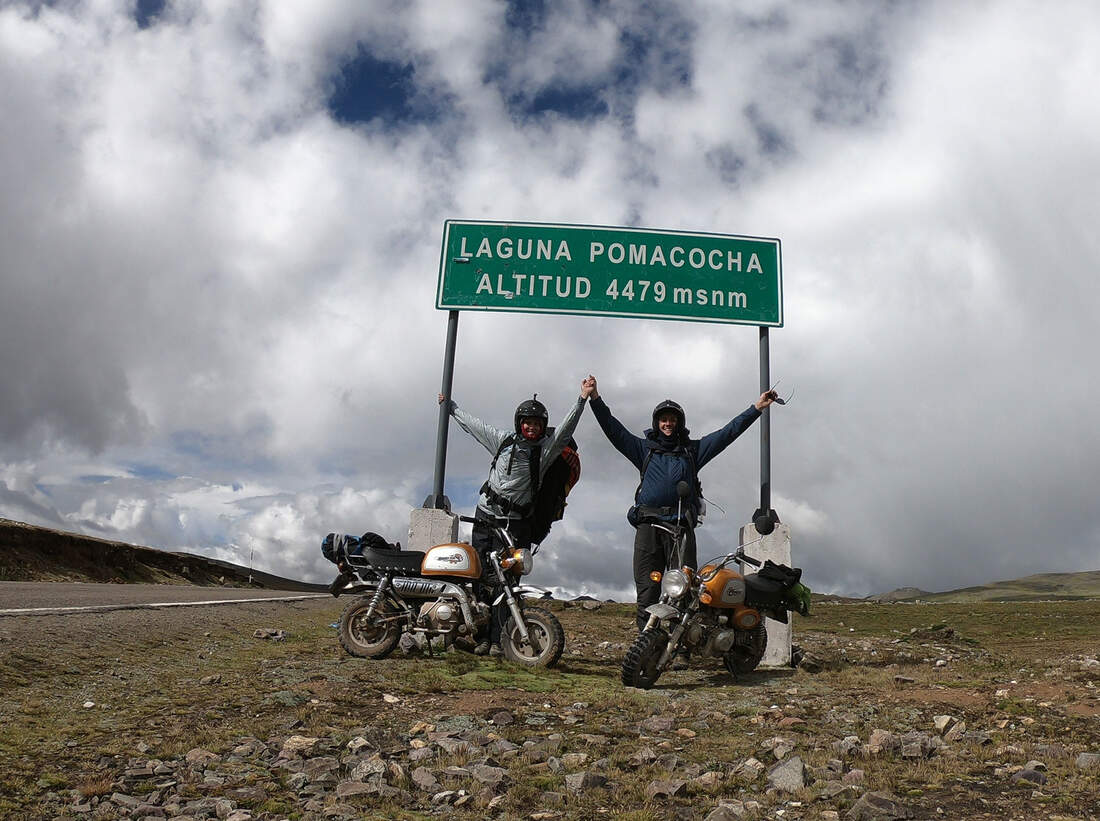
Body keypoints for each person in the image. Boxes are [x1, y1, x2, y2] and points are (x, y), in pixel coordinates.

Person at [582, 375, 778, 637]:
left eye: (672, 420)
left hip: (680, 528)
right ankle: (648, 641)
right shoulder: (644, 450)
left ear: (679, 423)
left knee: (683, 589)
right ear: (656, 422)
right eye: (663, 419)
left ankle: (680, 647)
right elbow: (613, 429)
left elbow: (727, 434)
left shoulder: (692, 451)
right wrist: (595, 398)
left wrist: (756, 408)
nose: (667, 423)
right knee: (647, 588)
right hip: (648, 527)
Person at [439, 381, 593, 654]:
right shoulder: (503, 441)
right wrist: (451, 408)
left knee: (507, 581)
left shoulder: (546, 451)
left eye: (536, 424)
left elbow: (567, 429)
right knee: (479, 577)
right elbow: (475, 427)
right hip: (485, 516)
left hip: (516, 524)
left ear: (543, 426)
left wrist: (581, 399)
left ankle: (498, 641)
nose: (531, 427)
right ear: (519, 423)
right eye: (527, 422)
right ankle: (480, 637)